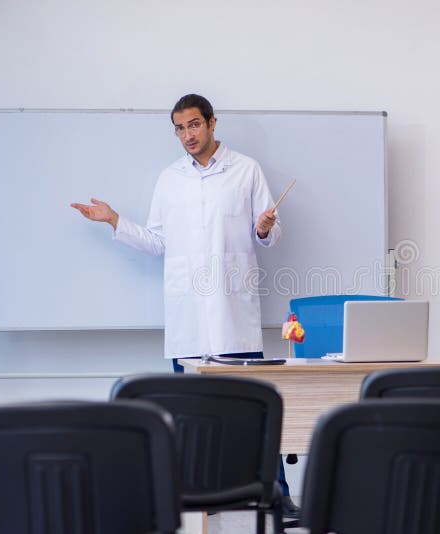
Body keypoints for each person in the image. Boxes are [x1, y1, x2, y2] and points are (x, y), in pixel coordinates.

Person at [71, 94, 299, 518]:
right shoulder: (169, 178)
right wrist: (114, 220)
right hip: (188, 316)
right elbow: (158, 241)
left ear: (212, 123)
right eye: (179, 128)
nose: (187, 135)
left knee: (256, 411)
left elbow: (269, 234)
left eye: (193, 125)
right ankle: (196, 496)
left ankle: (276, 494)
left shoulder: (245, 170)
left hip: (234, 312)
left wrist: (266, 228)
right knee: (191, 414)